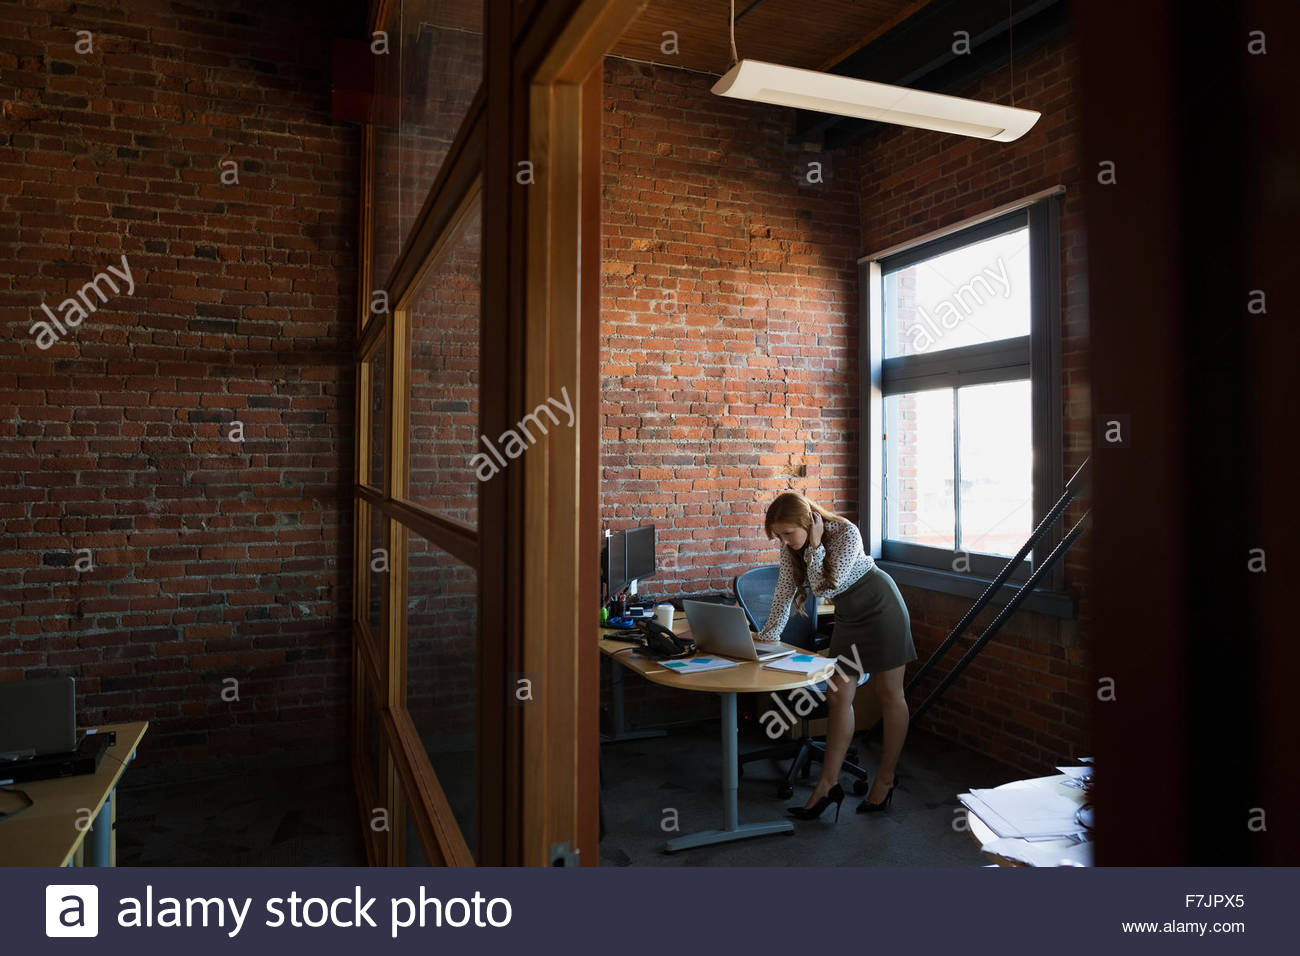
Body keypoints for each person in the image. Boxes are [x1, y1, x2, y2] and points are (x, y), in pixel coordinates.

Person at [755, 491, 917, 819]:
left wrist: (816, 546)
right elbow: (784, 591)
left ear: (806, 521)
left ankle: (885, 780)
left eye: (788, 533)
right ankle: (827, 786)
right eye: (779, 536)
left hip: (880, 607)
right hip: (849, 618)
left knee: (890, 693)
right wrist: (765, 639)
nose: (785, 542)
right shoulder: (792, 549)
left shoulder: (845, 534)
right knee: (838, 695)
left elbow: (825, 588)